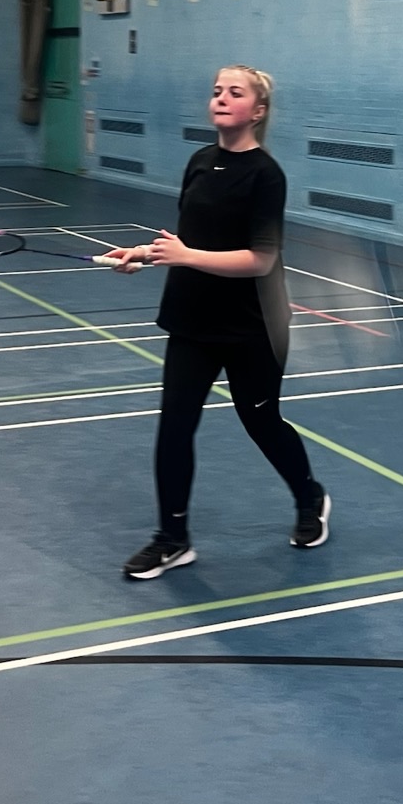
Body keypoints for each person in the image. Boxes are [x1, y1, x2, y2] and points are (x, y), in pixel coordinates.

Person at [109, 65, 329, 580]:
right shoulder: (199, 162)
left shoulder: (266, 175)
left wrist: (186, 256)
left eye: (235, 92)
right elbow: (191, 238)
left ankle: (309, 497)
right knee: (175, 425)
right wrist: (145, 253)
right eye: (215, 91)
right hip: (194, 319)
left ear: (258, 111)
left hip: (254, 324)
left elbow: (260, 259)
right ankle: (173, 538)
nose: (221, 98)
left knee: (261, 422)